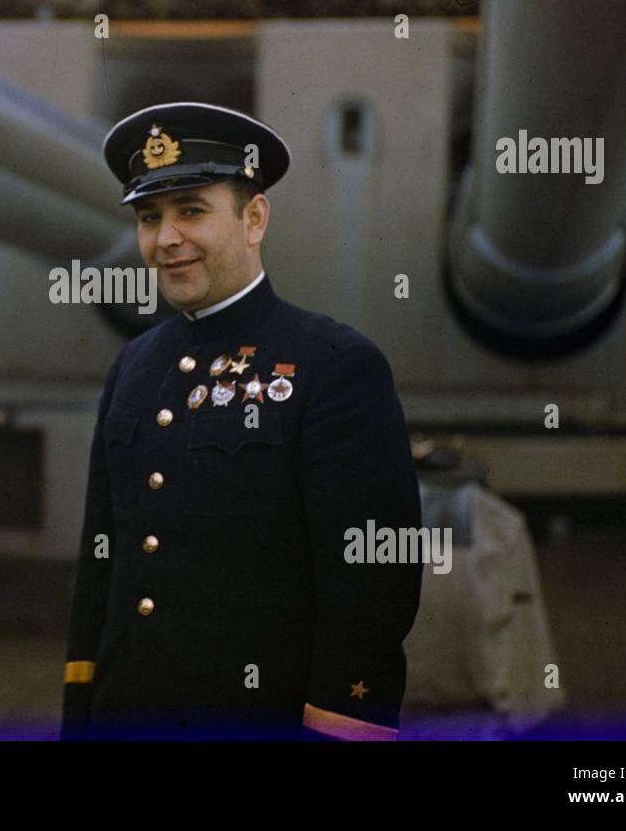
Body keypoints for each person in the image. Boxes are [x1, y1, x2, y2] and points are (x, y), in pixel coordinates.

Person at [61, 102, 423, 740]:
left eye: (192, 211)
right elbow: (102, 564)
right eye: (150, 219)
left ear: (254, 218)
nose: (166, 239)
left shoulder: (334, 364)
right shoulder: (135, 366)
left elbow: (368, 581)